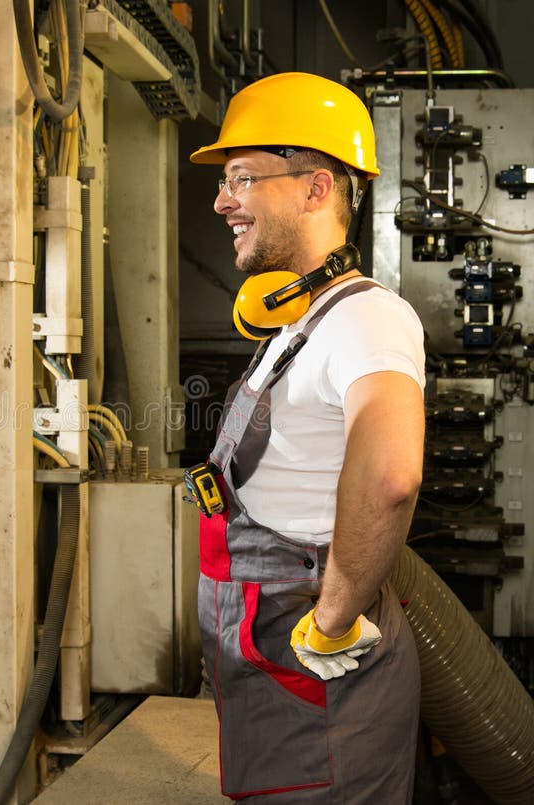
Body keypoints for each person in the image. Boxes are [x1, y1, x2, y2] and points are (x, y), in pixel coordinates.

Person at [188, 72, 425, 802]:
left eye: (243, 179)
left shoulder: (366, 318)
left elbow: (391, 476)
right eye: (225, 182)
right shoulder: (298, 320)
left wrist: (331, 621)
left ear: (317, 188)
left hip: (315, 665)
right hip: (268, 653)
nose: (223, 201)